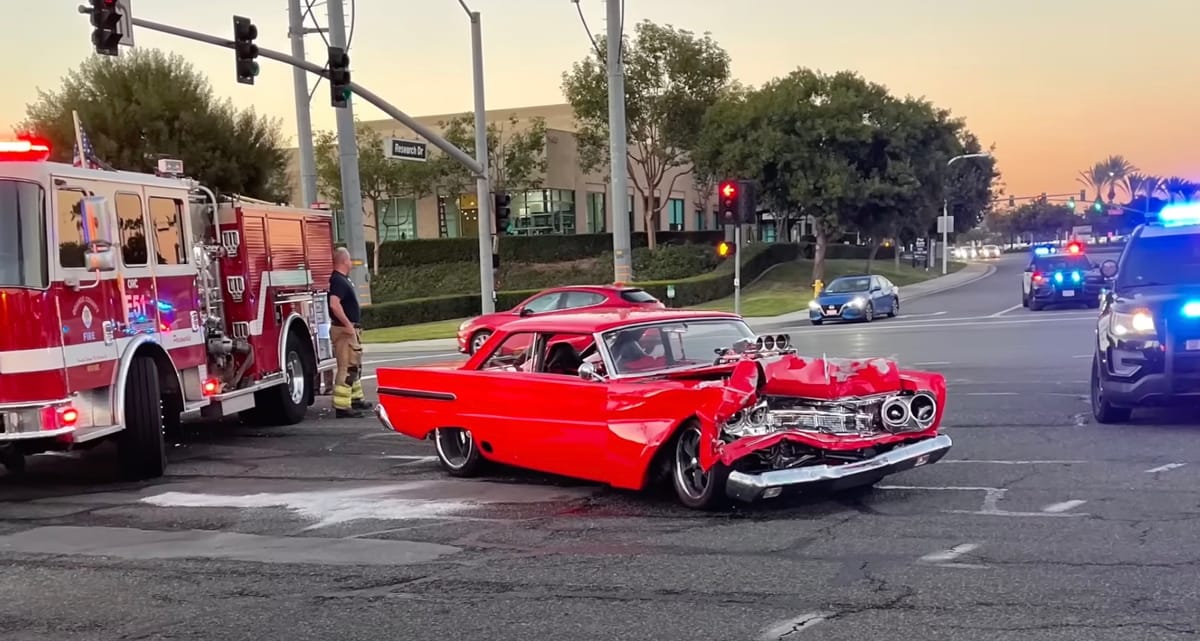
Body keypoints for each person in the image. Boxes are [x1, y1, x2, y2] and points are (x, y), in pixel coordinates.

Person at [328, 247, 371, 418]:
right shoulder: (338, 281)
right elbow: (334, 304)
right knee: (346, 367)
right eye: (349, 260)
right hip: (344, 330)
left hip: (349, 329)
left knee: (354, 366)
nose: (351, 263)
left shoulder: (342, 280)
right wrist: (347, 325)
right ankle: (342, 407)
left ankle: (355, 399)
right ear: (344, 261)